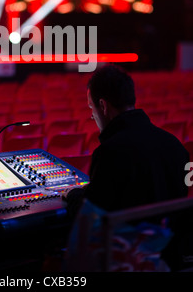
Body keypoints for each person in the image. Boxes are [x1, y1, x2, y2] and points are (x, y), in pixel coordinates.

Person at [64, 64, 189, 216]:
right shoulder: (176, 146)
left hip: (125, 238)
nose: (93, 116)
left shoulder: (109, 153)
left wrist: (73, 195)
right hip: (170, 238)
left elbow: (90, 215)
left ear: (103, 106)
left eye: (92, 109)